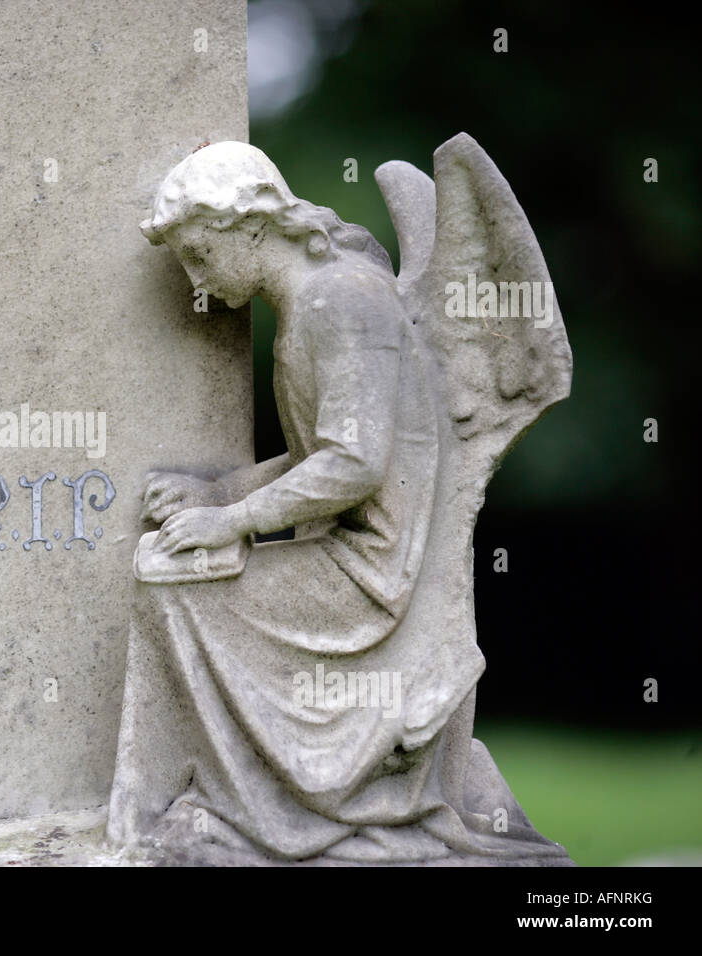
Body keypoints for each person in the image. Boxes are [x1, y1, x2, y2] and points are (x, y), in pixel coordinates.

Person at [108, 142, 565, 863]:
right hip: (358, 557)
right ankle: (252, 805)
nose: (197, 278)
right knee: (172, 576)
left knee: (179, 592)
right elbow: (324, 451)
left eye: (201, 254)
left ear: (251, 229)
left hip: (379, 579)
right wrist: (219, 492)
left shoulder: (342, 299)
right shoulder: (315, 300)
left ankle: (267, 817)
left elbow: (352, 465)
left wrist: (231, 521)